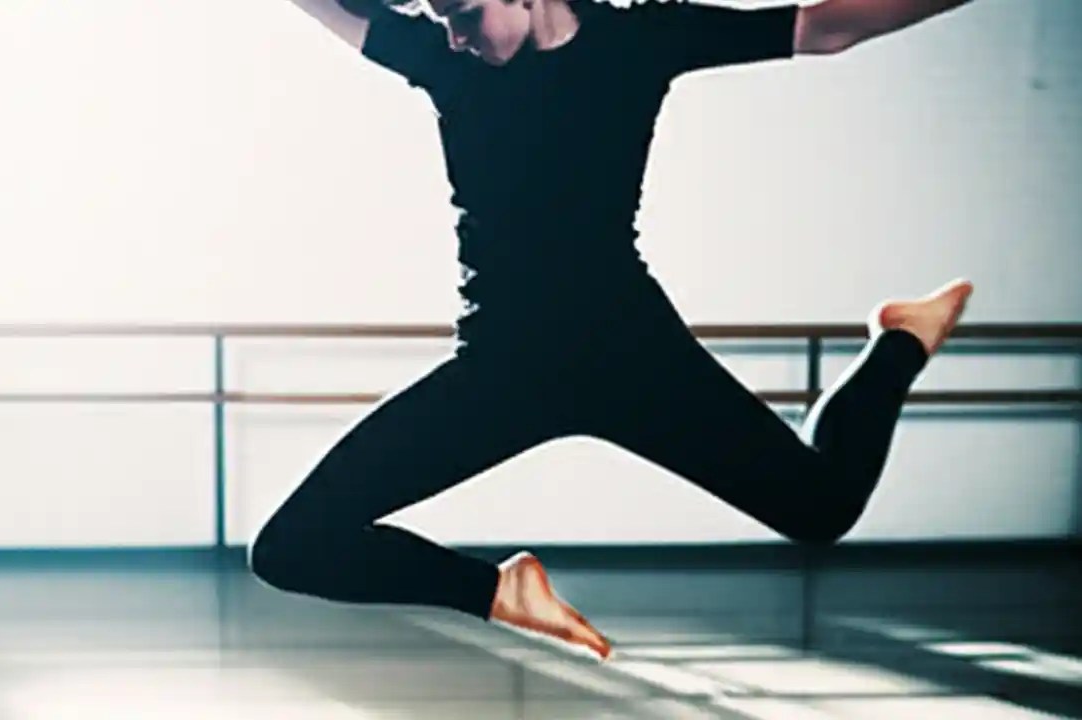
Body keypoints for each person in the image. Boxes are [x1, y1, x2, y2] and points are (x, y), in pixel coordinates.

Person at [248, 0, 976, 661]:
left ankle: (902, 340)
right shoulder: (439, 55)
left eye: (465, 14)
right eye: (442, 17)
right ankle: (503, 593)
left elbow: (827, 26)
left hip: (632, 355)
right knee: (290, 547)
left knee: (824, 507)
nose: (454, 35)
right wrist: (477, 589)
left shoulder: (640, 40)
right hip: (502, 371)